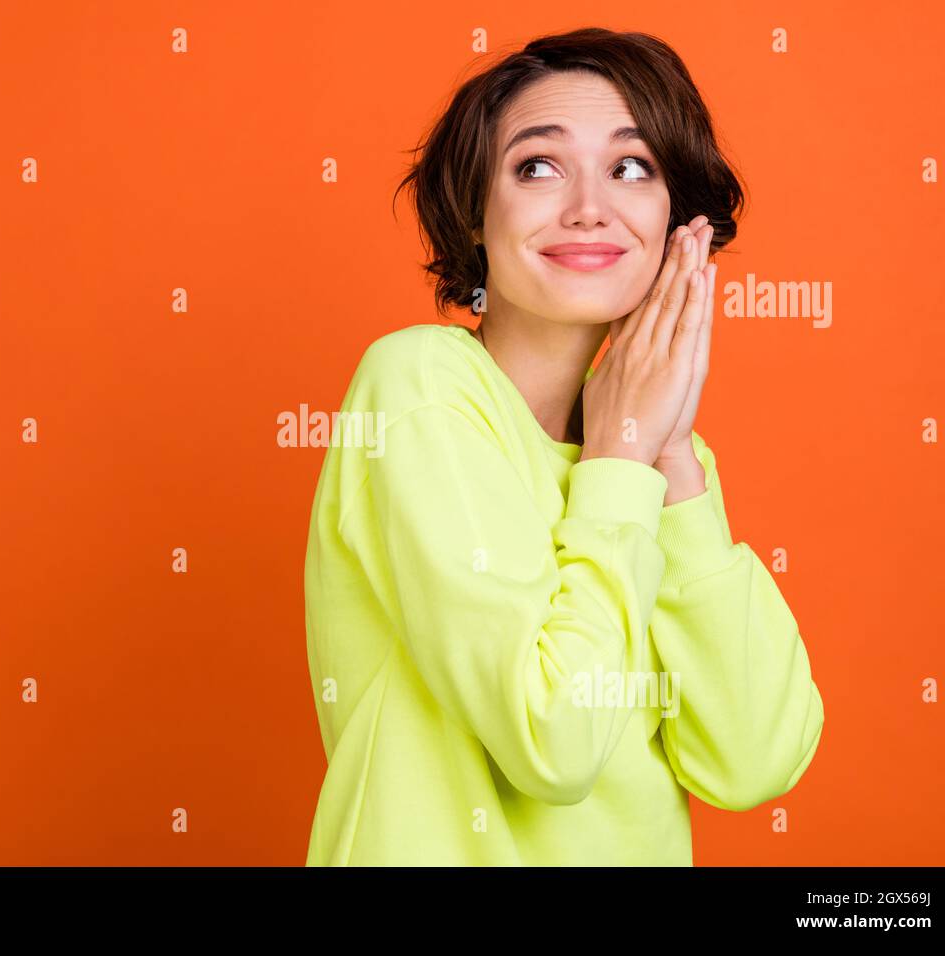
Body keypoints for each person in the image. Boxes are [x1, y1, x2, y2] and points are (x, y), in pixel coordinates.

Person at [303, 27, 824, 866]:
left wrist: (671, 457)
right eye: (538, 167)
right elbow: (553, 739)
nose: (589, 206)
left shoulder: (647, 463)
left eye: (631, 168)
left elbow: (753, 760)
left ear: (676, 223)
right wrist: (623, 464)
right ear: (474, 212)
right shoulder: (421, 385)